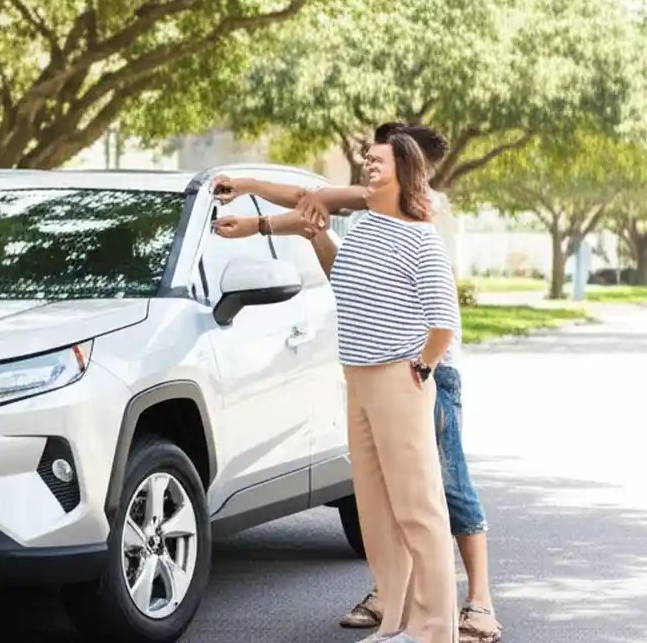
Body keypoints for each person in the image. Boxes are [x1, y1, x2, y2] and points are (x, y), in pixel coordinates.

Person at [211, 123, 500, 643]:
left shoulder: (420, 232)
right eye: (367, 157)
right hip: (361, 378)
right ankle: (396, 622)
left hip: (409, 375)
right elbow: (314, 218)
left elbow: (443, 321)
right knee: (376, 508)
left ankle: (443, 624)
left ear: (406, 167)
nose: (367, 164)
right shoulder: (367, 223)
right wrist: (261, 221)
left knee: (429, 502)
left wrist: (422, 368)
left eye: (377, 159)